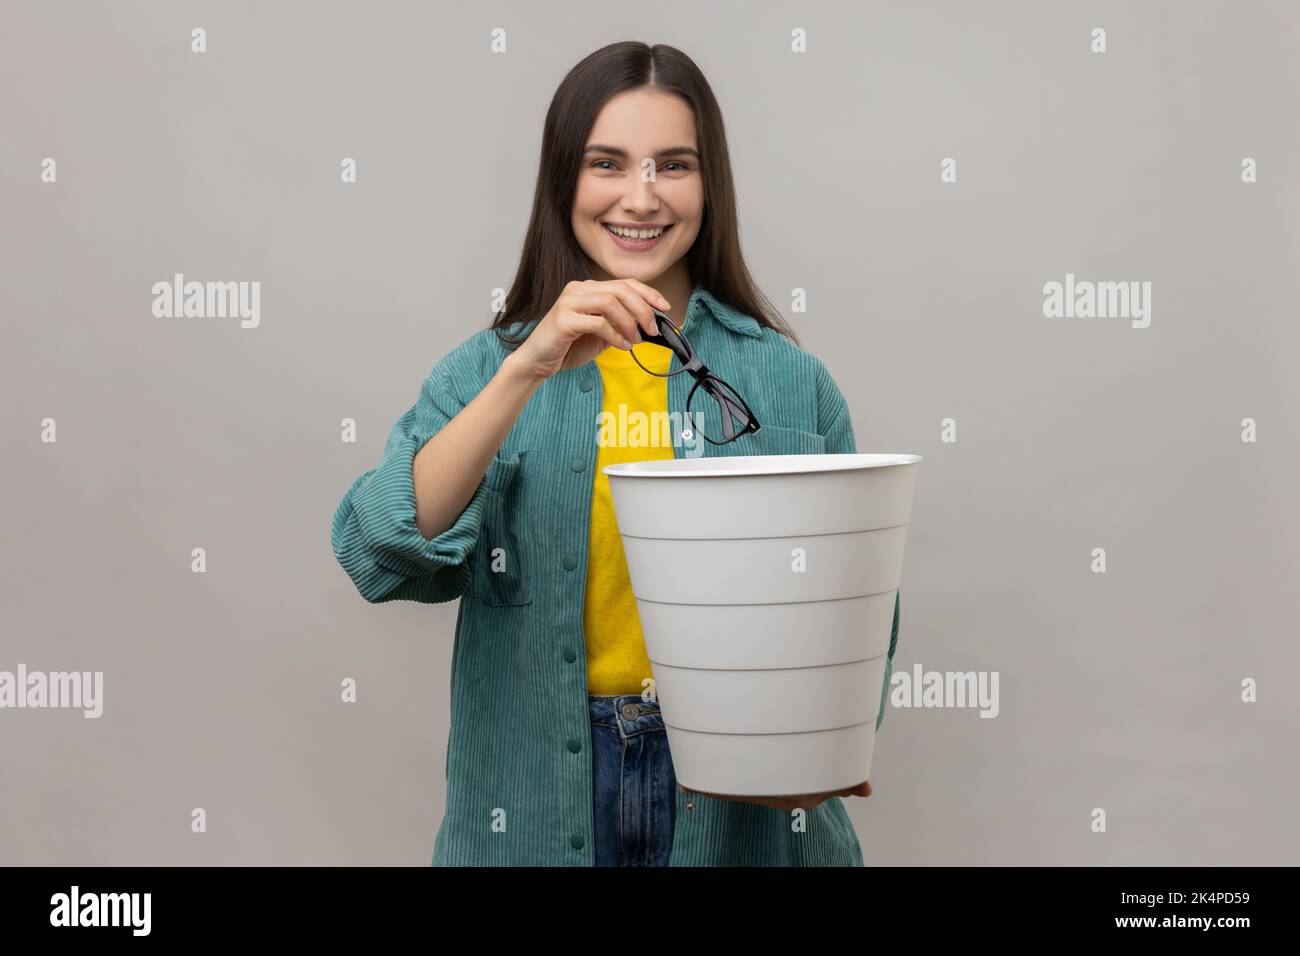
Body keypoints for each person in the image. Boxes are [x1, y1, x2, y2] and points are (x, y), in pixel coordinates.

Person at [331, 40, 900, 866]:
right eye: (608, 163)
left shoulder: (791, 382)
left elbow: (863, 610)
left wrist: (824, 745)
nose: (641, 197)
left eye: (673, 165)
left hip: (739, 804)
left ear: (711, 185)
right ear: (564, 179)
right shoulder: (485, 373)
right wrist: (525, 367)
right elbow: (377, 548)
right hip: (535, 793)